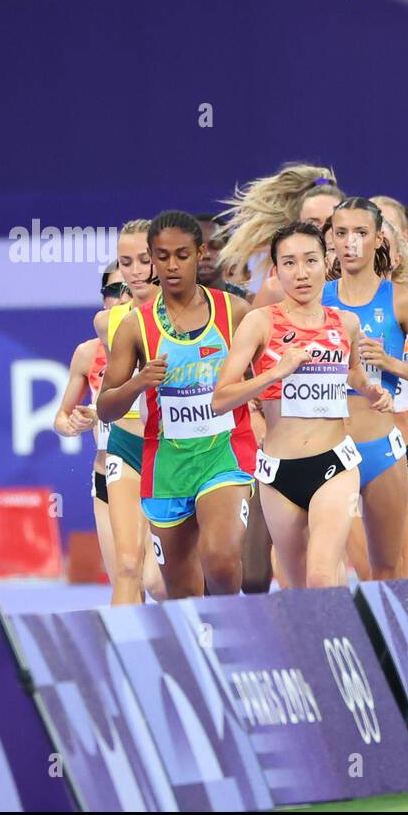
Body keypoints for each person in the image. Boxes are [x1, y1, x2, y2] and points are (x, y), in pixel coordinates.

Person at [212, 221, 393, 588]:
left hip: (335, 464)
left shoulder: (346, 322)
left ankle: (340, 640)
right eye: (290, 263)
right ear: (276, 271)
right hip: (279, 473)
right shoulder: (259, 323)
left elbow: (354, 373)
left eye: (310, 260)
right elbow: (221, 398)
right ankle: (336, 636)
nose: (302, 273)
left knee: (321, 575)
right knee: (297, 590)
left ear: (326, 263)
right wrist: (275, 373)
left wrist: (372, 390)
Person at [98, 211, 257, 599]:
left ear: (199, 253)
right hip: (166, 466)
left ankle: (236, 641)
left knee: (219, 559)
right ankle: (204, 652)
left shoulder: (234, 313)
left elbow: (264, 379)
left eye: (182, 255)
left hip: (224, 455)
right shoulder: (135, 327)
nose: (172, 265)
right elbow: (105, 408)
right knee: (181, 594)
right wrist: (139, 381)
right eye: (162, 256)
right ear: (152, 258)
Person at [323, 198, 408, 579]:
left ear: (379, 240)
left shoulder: (400, 301)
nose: (350, 243)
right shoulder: (318, 297)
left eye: (361, 233)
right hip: (327, 449)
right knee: (328, 571)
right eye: (341, 233)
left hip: (383, 448)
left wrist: (392, 364)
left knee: (388, 571)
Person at [92, 219, 168, 605]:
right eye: (126, 262)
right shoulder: (109, 322)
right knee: (126, 566)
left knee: (165, 580)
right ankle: (120, 663)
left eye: (144, 260)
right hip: (127, 446)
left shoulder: (192, 312)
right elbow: (110, 396)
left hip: (177, 450)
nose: (136, 271)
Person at [54, 273, 130, 595]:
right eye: (113, 289)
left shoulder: (160, 343)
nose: (122, 296)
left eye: (130, 288)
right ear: (103, 299)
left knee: (159, 583)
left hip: (152, 473)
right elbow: (61, 415)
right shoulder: (86, 353)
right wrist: (71, 424)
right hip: (106, 476)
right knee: (124, 581)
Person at [218, 163, 344, 309]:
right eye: (314, 223)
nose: (324, 231)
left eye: (331, 222)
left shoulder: (366, 278)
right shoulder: (277, 288)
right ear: (298, 224)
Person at [194, 213, 251, 300]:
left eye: (215, 246)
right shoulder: (168, 301)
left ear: (228, 250)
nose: (206, 255)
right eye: (198, 247)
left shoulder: (247, 301)